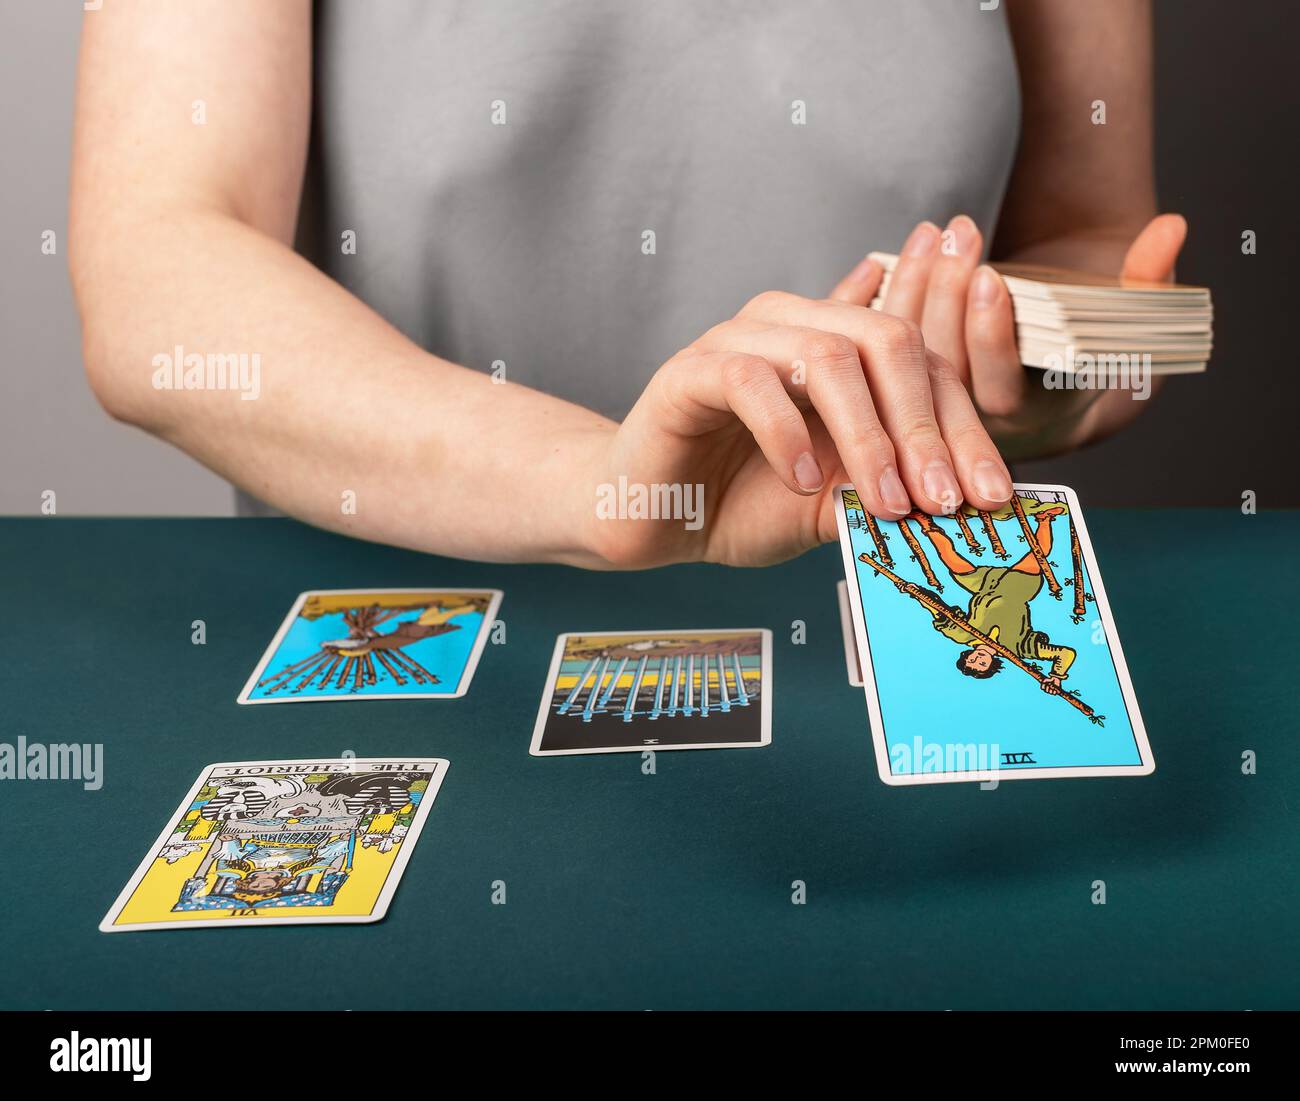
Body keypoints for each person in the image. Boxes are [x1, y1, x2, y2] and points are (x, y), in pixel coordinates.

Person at [69, 1, 1185, 568]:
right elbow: (158, 264)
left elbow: (1093, 244)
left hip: (892, 637)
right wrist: (607, 491)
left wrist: (1041, 378)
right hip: (398, 655)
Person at [908, 505, 1077, 694]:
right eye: (982, 663)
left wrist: (918, 593)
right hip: (1017, 587)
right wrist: (1056, 676)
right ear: (992, 664)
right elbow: (1064, 653)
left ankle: (925, 523)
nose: (978, 658)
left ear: (966, 655)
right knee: (1039, 553)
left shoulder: (962, 636)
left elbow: (938, 610)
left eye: (972, 660)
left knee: (950, 558)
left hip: (983, 585)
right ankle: (1044, 519)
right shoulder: (1019, 649)